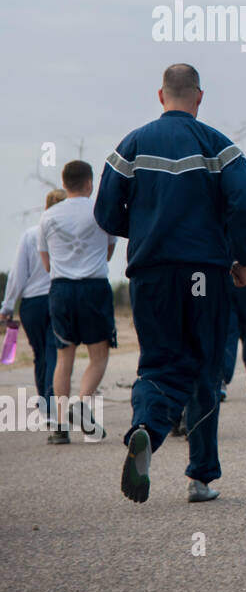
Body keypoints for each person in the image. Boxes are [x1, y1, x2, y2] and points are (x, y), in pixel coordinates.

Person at [95, 63, 246, 503]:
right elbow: (244, 207)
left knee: (157, 361)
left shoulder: (130, 145)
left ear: (160, 95)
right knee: (204, 365)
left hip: (150, 273)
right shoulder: (220, 147)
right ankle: (201, 477)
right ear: (199, 97)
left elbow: (106, 213)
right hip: (205, 273)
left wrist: (146, 229)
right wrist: (244, 260)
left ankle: (146, 428)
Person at [40, 161, 117, 443]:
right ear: (89, 183)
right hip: (94, 287)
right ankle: (82, 405)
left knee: (64, 358)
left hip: (60, 289)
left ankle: (60, 427)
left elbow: (46, 263)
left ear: (65, 182)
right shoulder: (100, 211)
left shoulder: (48, 217)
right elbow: (108, 253)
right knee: (98, 356)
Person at [3, 188, 66, 423]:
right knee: (54, 352)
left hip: (33, 304)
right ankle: (52, 402)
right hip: (60, 297)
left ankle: (46, 404)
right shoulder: (66, 235)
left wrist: (7, 306)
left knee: (40, 354)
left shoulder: (31, 234)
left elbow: (18, 274)